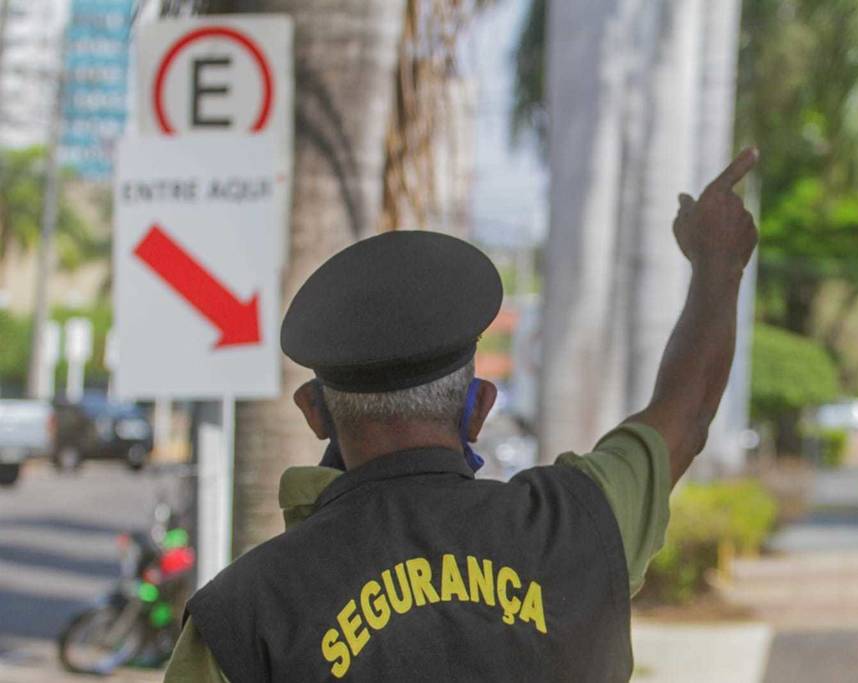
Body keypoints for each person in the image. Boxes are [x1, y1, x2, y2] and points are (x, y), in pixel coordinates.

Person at [163, 148, 759, 682]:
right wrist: (718, 264)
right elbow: (689, 411)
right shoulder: (579, 523)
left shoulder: (242, 617)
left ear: (314, 412)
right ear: (479, 410)